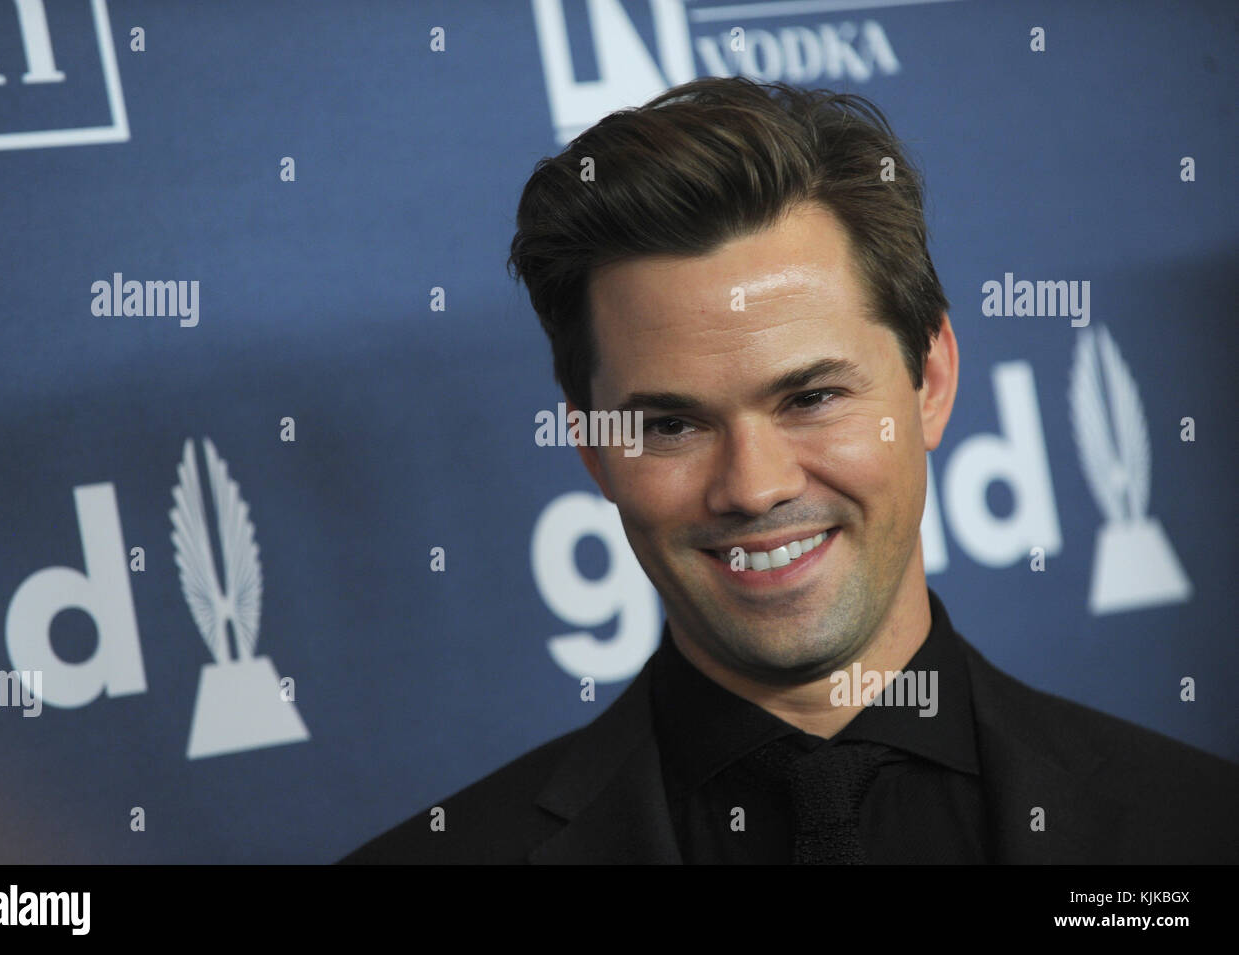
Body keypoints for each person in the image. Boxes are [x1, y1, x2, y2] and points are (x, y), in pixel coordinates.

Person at [341, 77, 1238, 864]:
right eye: (672, 422)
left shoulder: (1197, 829)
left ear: (929, 380)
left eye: (810, 398)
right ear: (593, 450)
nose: (755, 486)